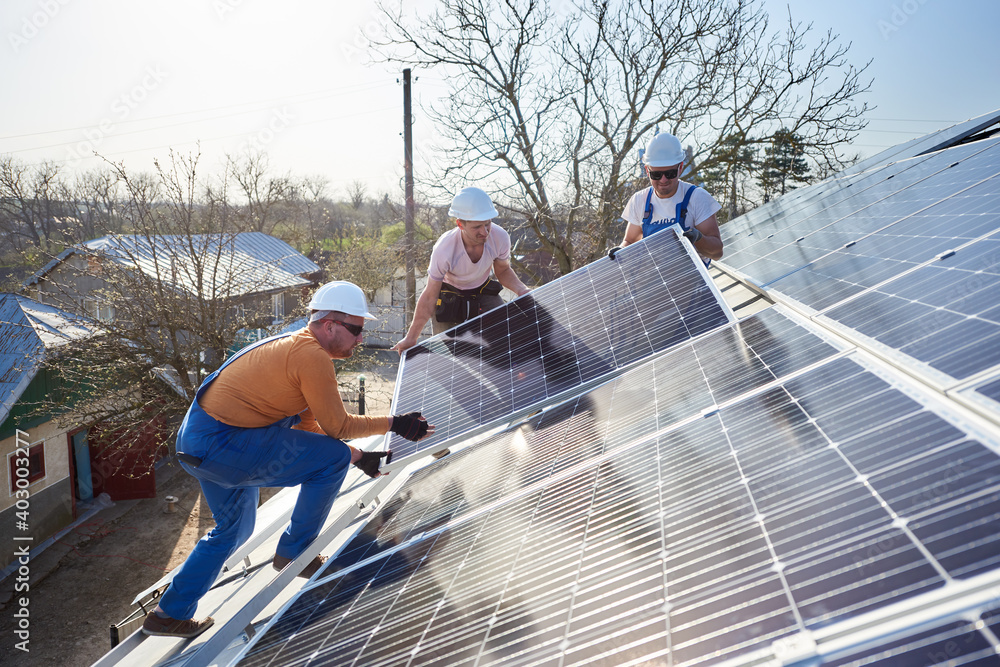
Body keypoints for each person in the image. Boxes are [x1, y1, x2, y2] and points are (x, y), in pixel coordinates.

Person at [141, 281, 434, 639]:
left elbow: (311, 426)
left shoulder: (293, 347)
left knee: (232, 531)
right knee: (331, 459)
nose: (361, 339)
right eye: (357, 330)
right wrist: (396, 422)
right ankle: (296, 553)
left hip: (199, 442)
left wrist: (358, 457)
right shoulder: (311, 355)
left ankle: (167, 613)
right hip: (223, 443)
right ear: (329, 325)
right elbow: (338, 425)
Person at [392, 187, 531, 354]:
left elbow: (503, 271)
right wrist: (411, 337)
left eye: (487, 224)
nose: (484, 231)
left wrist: (522, 290)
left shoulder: (499, 238)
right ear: (460, 224)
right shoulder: (444, 249)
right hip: (449, 296)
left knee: (504, 334)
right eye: (477, 227)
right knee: (449, 353)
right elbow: (430, 296)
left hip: (481, 290)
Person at [609, 132, 724, 264]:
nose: (663, 180)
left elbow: (717, 253)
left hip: (693, 282)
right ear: (647, 171)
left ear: (680, 168)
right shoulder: (639, 200)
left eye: (670, 173)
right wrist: (620, 251)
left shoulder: (697, 198)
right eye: (656, 174)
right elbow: (629, 241)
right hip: (653, 279)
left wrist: (698, 238)